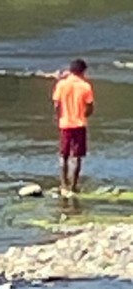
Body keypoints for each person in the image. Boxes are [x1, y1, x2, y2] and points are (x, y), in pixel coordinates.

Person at [52, 59, 94, 194]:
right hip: (79, 123)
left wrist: (59, 117)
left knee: (63, 155)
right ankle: (74, 185)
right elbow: (89, 107)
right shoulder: (85, 86)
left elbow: (57, 104)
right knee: (77, 156)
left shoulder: (61, 84)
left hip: (65, 123)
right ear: (83, 71)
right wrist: (84, 114)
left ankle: (64, 184)